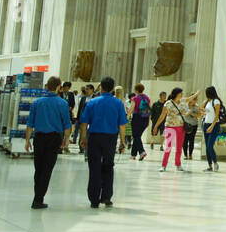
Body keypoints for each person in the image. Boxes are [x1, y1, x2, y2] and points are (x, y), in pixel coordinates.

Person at [79, 77, 128, 209]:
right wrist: (122, 141)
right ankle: (106, 196)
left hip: (94, 137)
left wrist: (83, 138)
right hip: (110, 138)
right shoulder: (118, 103)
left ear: (100, 88)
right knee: (108, 166)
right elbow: (122, 124)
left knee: (94, 167)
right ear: (112, 88)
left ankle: (94, 199)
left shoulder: (92, 102)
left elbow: (84, 123)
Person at [25, 76, 72, 209]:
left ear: (47, 86)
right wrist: (66, 139)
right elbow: (67, 125)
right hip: (54, 139)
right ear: (58, 87)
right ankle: (38, 199)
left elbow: (30, 124)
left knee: (38, 168)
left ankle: (37, 197)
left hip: (39, 138)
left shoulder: (37, 102)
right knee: (47, 169)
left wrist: (27, 140)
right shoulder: (62, 103)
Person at [154, 87, 198, 173]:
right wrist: (156, 126)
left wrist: (196, 93)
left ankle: (178, 164)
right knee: (168, 147)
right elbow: (162, 116)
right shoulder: (168, 104)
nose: (182, 95)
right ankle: (163, 165)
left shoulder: (182, 101)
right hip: (170, 126)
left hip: (181, 127)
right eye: (180, 93)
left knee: (179, 147)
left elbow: (190, 98)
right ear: (176, 94)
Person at [201, 86, 226, 171]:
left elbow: (217, 115)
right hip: (206, 124)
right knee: (207, 147)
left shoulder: (216, 101)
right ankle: (210, 165)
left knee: (209, 146)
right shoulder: (209, 102)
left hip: (214, 125)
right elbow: (204, 112)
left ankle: (215, 163)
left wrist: (212, 126)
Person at [128, 84, 151, 160]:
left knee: (136, 136)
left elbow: (131, 109)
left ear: (136, 90)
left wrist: (127, 117)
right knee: (137, 136)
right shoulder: (147, 98)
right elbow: (149, 110)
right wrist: (148, 121)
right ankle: (133, 155)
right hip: (145, 119)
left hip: (137, 118)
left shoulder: (135, 98)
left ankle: (142, 151)